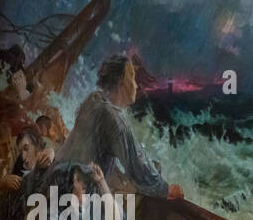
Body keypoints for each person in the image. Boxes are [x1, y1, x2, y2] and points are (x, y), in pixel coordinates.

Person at [55, 54, 183, 200]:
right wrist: (166, 190)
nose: (136, 85)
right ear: (121, 80)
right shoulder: (114, 120)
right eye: (133, 77)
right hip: (73, 201)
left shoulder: (93, 101)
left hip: (58, 185)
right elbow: (137, 166)